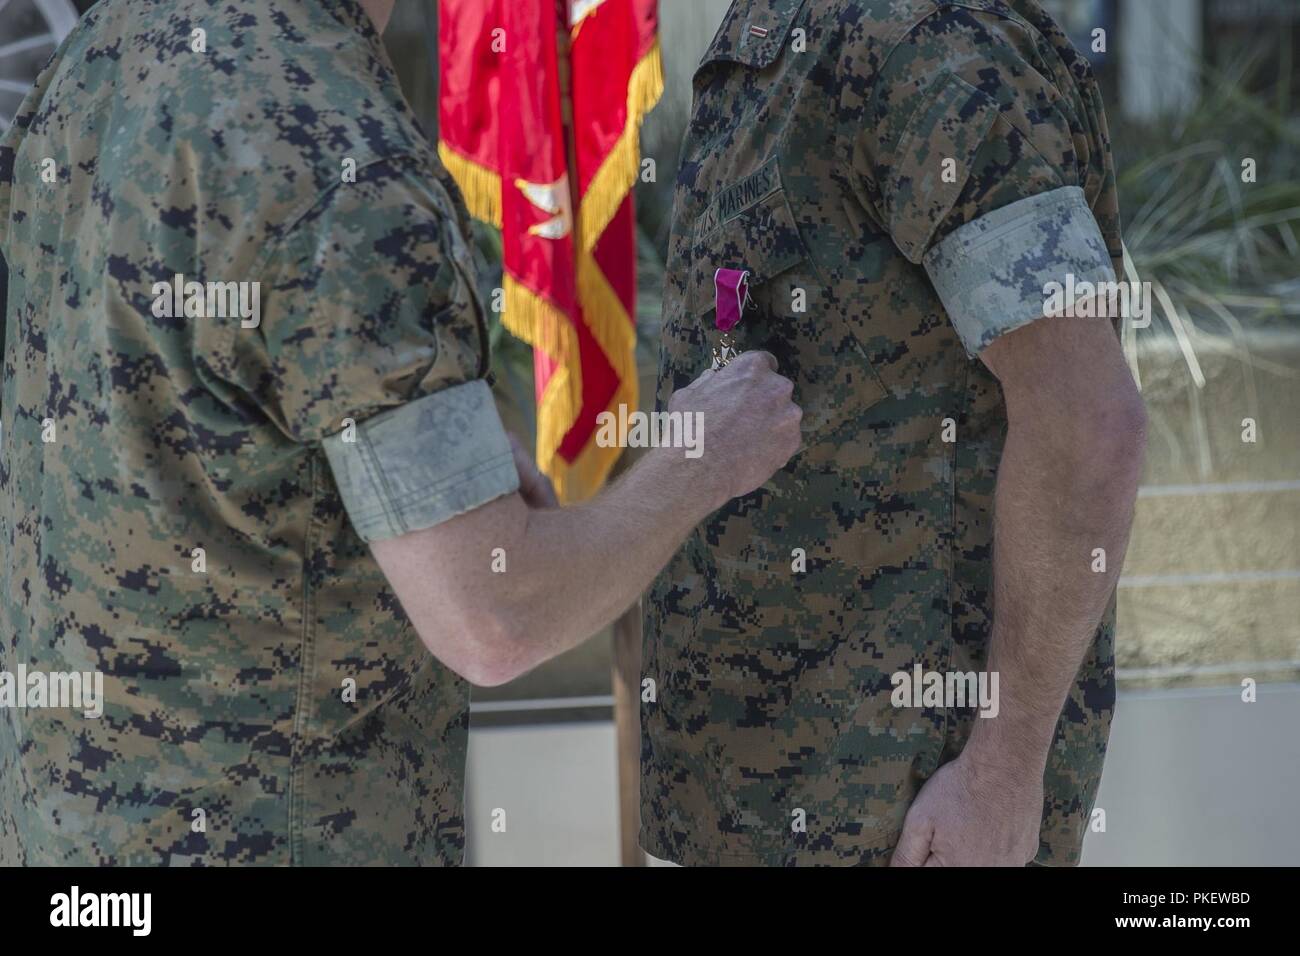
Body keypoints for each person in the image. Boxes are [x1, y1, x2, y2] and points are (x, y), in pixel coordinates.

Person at [0, 0, 800, 865]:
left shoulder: (109, 42)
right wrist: (700, 458)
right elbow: (492, 617)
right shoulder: (335, 148)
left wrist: (434, 470)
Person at [641, 0, 1147, 866]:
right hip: (756, 801)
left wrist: (1000, 772)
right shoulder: (778, 33)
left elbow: (1087, 424)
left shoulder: (930, 43)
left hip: (900, 816)